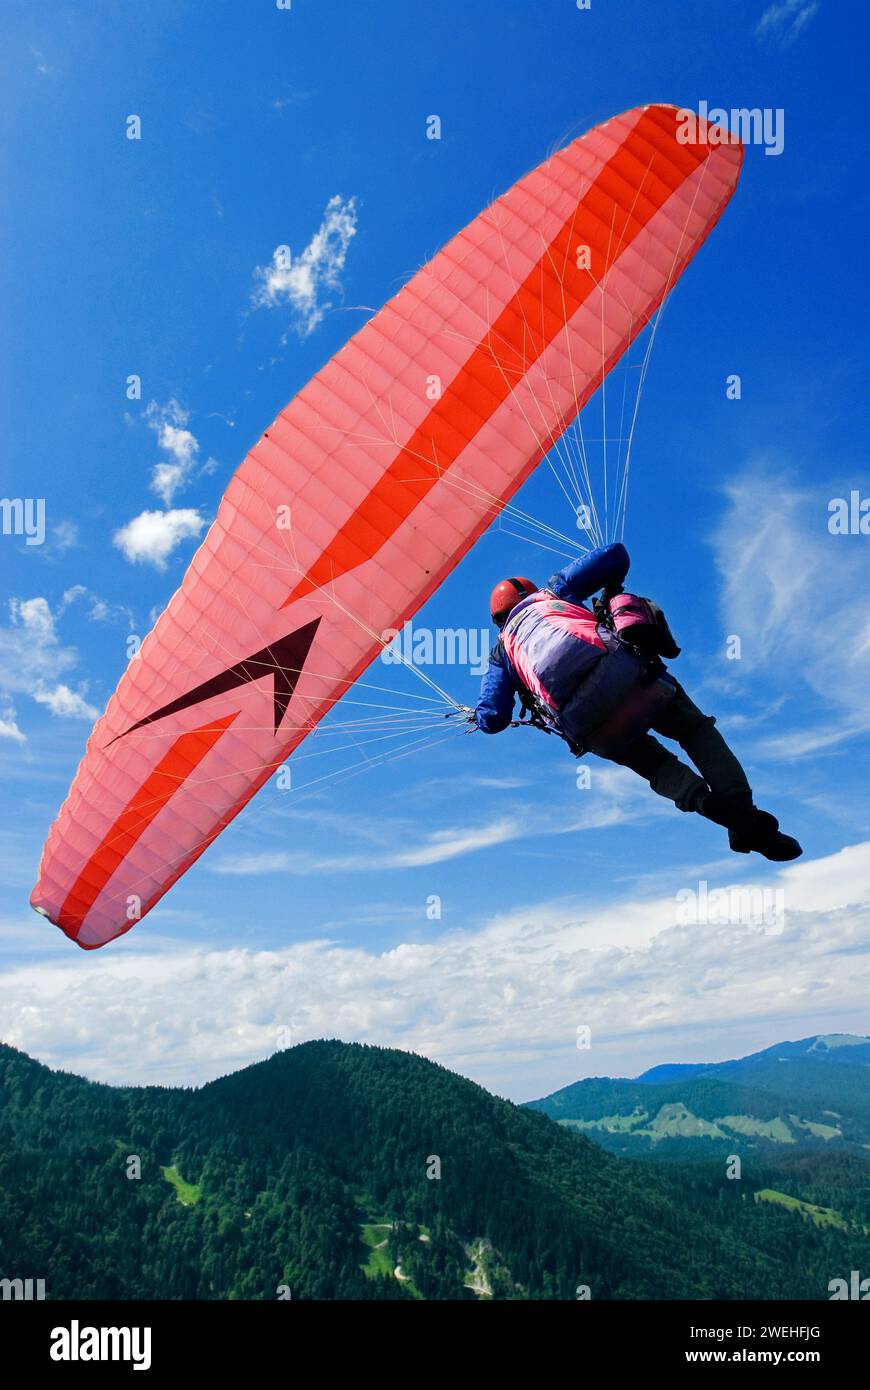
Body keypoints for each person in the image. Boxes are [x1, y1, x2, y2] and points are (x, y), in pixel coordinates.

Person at [474, 543, 802, 861]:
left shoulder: (502, 653)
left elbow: (493, 719)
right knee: (695, 732)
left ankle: (709, 805)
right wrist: (612, 587)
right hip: (633, 680)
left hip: (594, 725)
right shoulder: (553, 593)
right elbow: (614, 554)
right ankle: (742, 811)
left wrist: (476, 716)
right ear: (529, 594)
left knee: (658, 767)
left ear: (498, 620)